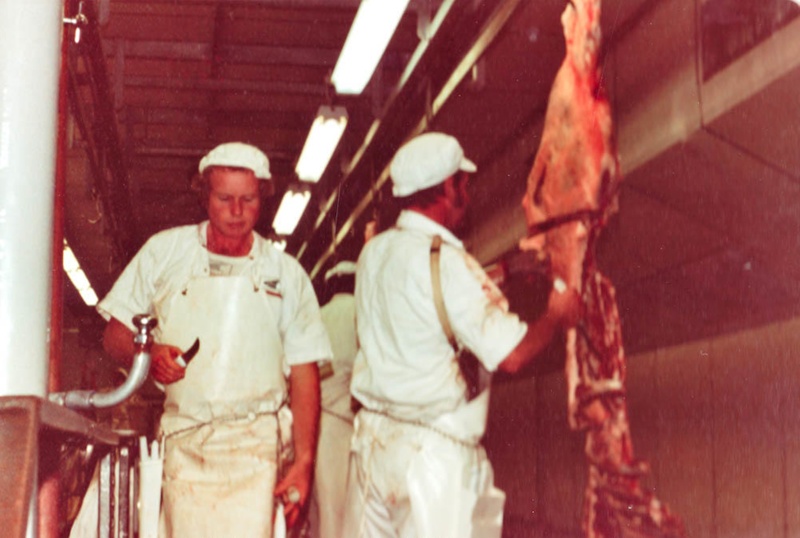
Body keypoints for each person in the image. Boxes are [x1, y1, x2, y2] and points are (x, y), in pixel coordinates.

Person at [342, 132, 580, 537]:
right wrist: (557, 315)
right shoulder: (449, 262)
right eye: (462, 184)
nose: (468, 194)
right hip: (433, 461)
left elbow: (427, 305)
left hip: (372, 450)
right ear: (445, 190)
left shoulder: (374, 254)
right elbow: (513, 355)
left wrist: (503, 272)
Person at [97, 142, 332, 537]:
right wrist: (149, 352)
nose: (237, 212)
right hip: (186, 448)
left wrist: (304, 462)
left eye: (248, 199)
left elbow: (305, 372)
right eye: (225, 198)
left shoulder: (285, 274)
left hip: (259, 452)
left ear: (263, 199)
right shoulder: (164, 252)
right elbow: (114, 335)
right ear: (204, 196)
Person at [308, 260, 358, 538]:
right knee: (345, 511)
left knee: (322, 510)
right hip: (347, 427)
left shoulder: (316, 318)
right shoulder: (361, 314)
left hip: (316, 427)